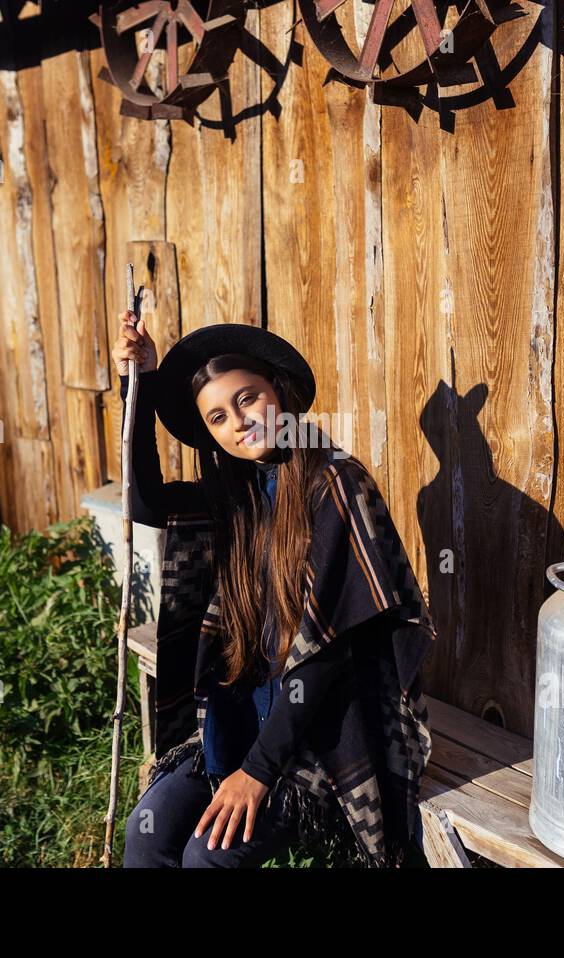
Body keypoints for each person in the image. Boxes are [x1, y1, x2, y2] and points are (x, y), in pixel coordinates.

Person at [113, 310, 436, 868]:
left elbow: (328, 656)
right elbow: (146, 504)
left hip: (324, 730)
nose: (237, 422)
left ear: (279, 392)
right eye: (217, 417)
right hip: (240, 717)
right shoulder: (237, 495)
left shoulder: (336, 484)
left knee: (207, 859)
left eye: (246, 399)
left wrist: (258, 773)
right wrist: (135, 384)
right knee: (146, 837)